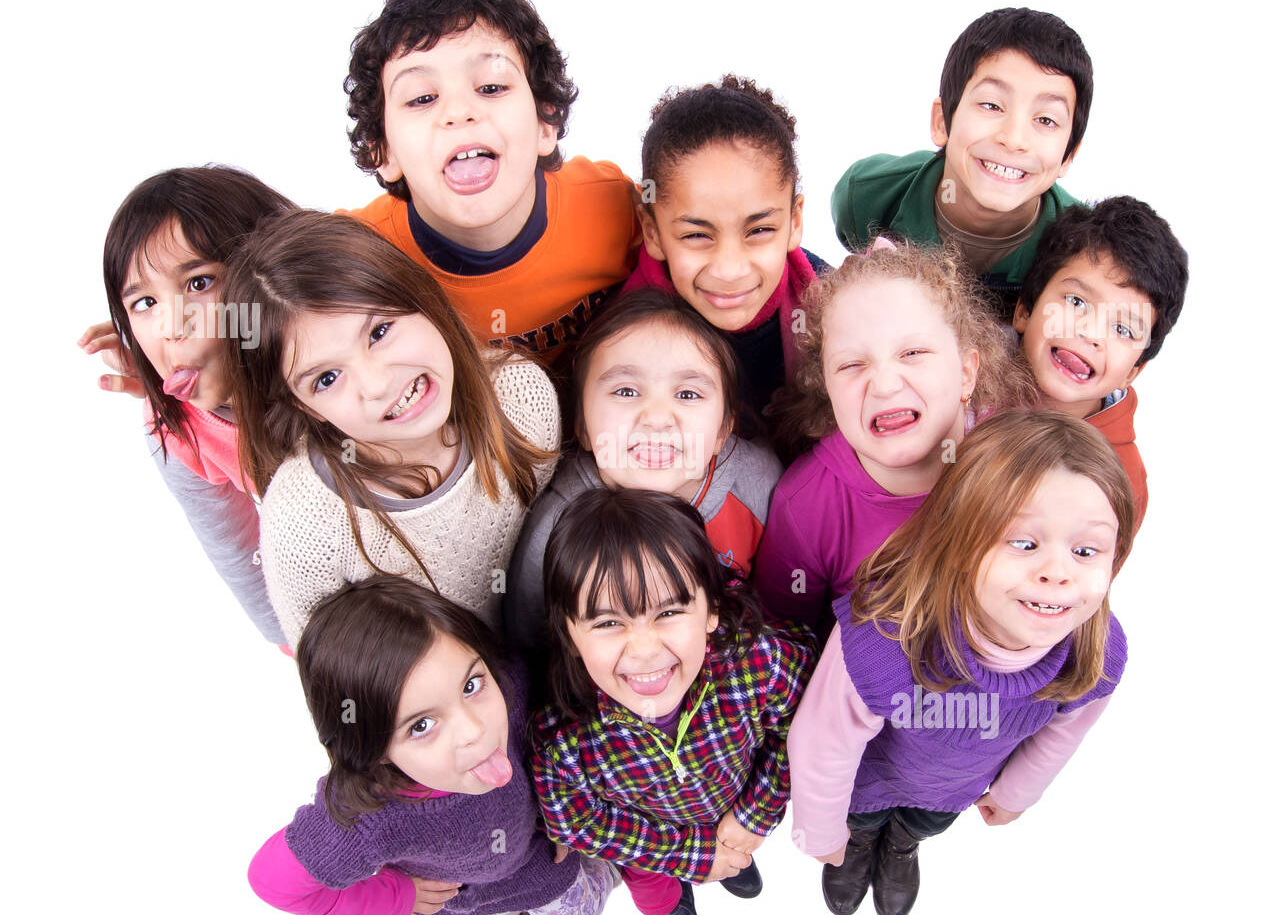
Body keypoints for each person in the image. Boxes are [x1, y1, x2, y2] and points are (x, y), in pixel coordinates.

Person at [788, 410, 1133, 915]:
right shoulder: (882, 636)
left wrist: (1019, 793)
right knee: (863, 821)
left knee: (921, 823)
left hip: (950, 791)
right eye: (1024, 543)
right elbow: (824, 740)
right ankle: (860, 845)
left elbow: (1064, 733)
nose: (1058, 573)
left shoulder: (1097, 649)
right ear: (958, 538)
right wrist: (822, 828)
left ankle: (903, 846)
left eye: (1086, 550)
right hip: (867, 784)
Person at [223, 210, 558, 648]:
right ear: (304, 407)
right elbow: (345, 686)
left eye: (379, 331)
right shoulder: (304, 522)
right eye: (326, 379)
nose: (377, 384)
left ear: (421, 299)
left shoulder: (521, 395)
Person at [247, 576, 614, 915]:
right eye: (421, 726)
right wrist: (394, 898)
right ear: (373, 751)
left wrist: (568, 816)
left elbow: (558, 736)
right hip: (470, 891)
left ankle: (610, 865)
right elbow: (274, 884)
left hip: (535, 857)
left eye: (471, 685)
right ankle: (509, 914)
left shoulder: (509, 685)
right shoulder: (363, 818)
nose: (475, 730)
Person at [531, 489, 813, 915]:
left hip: (731, 806)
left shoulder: (757, 661)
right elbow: (577, 823)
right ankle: (670, 914)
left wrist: (755, 815)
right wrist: (693, 857)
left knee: (735, 851)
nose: (642, 648)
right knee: (656, 885)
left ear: (712, 610)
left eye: (667, 612)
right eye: (607, 622)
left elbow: (803, 729)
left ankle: (734, 864)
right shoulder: (564, 741)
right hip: (647, 840)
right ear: (570, 637)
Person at [344, 0, 639, 366]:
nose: (460, 112)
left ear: (545, 121)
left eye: (491, 88)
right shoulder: (357, 255)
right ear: (384, 152)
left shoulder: (612, 204)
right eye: (421, 98)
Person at [755, 238, 1030, 629]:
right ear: (825, 387)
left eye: (912, 353)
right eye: (851, 364)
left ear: (967, 371)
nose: (883, 385)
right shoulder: (805, 507)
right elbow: (786, 642)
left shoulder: (1018, 455)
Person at [81, 166, 295, 644]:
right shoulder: (180, 433)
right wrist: (312, 655)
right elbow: (243, 559)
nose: (170, 326)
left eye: (199, 283)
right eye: (144, 304)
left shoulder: (342, 360)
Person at [505, 288, 782, 650]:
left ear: (723, 431)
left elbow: (783, 613)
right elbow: (531, 645)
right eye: (625, 391)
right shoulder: (555, 526)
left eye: (687, 394)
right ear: (582, 425)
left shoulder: (758, 485)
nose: (655, 418)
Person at [832, 8, 1093, 317]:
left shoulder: (1084, 249)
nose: (1013, 138)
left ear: (1068, 156)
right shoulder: (870, 196)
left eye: (1046, 120)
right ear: (942, 122)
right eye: (992, 105)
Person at [629, 74, 824, 422]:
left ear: (795, 222)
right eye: (697, 236)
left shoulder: (833, 305)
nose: (730, 269)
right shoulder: (620, 337)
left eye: (760, 230)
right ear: (653, 231)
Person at [1013, 195, 1189, 532]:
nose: (1090, 333)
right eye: (1077, 301)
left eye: (1123, 328)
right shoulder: (956, 381)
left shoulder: (1120, 477)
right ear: (1024, 310)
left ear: (1134, 371)